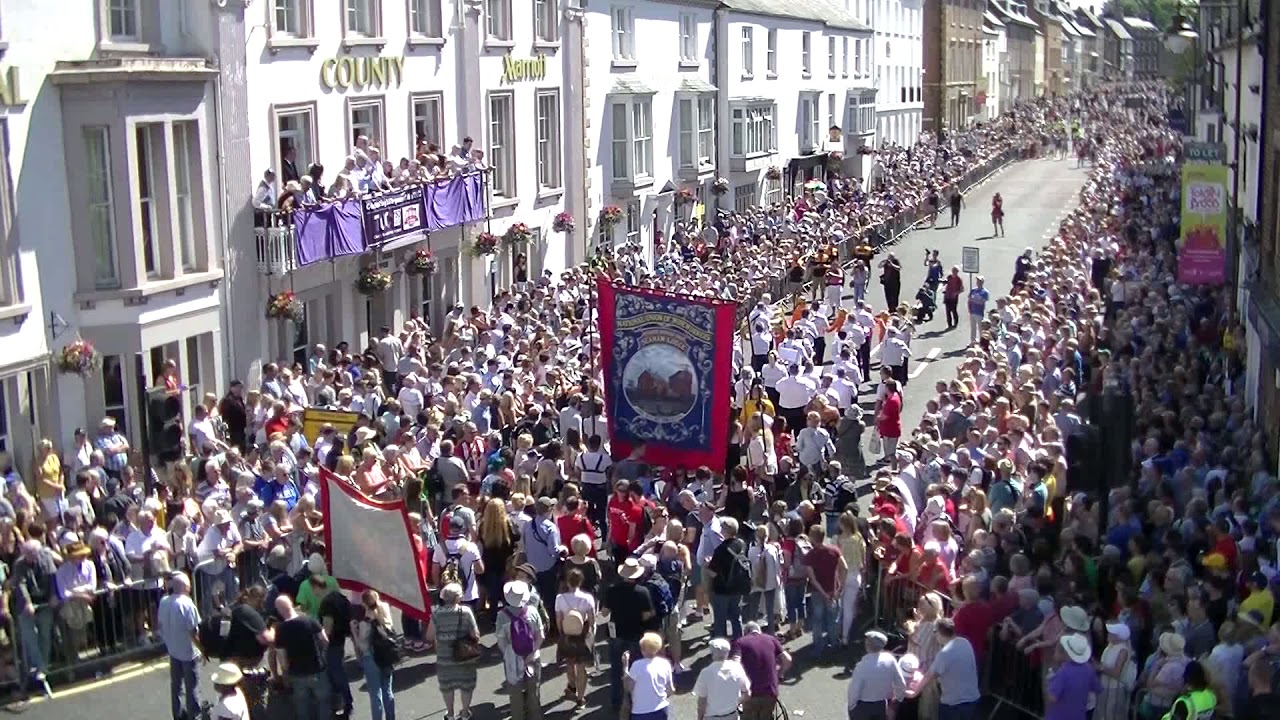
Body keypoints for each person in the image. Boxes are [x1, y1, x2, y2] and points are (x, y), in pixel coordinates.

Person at [607, 558, 657, 710]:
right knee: (636, 669)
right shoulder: (643, 592)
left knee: (616, 668)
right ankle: (635, 699)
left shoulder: (612, 590)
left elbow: (604, 611)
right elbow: (648, 614)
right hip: (636, 634)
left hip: (617, 634)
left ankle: (616, 701)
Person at [427, 583, 480, 720]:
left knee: (447, 687)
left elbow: (429, 636)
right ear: (458, 598)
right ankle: (465, 713)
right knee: (466, 686)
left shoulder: (437, 614)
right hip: (465, 656)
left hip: (444, 657)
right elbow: (475, 635)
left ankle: (450, 714)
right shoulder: (466, 611)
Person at [273, 595, 331, 720]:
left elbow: (282, 658)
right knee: (323, 701)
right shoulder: (309, 620)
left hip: (297, 672)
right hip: (317, 668)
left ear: (279, 611)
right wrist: (322, 655)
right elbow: (325, 640)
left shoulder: (280, 630)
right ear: (291, 604)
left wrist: (286, 673)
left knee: (302, 705)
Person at [496, 580, 545, 720]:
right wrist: (532, 653)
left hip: (512, 658)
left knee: (515, 694)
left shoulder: (502, 616)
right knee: (533, 692)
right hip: (532, 656)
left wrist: (509, 654)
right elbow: (540, 636)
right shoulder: (532, 611)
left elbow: (501, 641)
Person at [157, 572, 202, 720]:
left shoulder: (164, 601)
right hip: (189, 653)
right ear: (185, 586)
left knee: (176, 687)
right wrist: (203, 650)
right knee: (192, 688)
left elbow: (160, 624)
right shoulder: (187, 604)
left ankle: (177, 715)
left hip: (173, 650)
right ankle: (194, 716)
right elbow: (193, 632)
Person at [918, 619, 981, 720]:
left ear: (939, 632)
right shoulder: (965, 643)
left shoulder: (944, 653)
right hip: (972, 700)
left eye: (935, 632)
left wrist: (914, 692)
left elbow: (929, 675)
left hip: (953, 705)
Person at [352, 590, 397, 720]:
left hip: (371, 658)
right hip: (386, 657)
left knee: (375, 694)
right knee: (387, 690)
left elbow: (362, 646)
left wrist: (354, 632)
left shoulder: (364, 623)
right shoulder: (385, 617)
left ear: (364, 605)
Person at [733, 621, 792, 720]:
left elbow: (735, 664)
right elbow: (787, 659)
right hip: (770, 691)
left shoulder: (740, 642)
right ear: (759, 631)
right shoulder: (772, 639)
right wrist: (780, 674)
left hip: (750, 693)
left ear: (745, 632)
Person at [845, 631, 906, 720]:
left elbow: (854, 690)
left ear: (867, 645)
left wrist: (851, 705)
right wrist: (898, 699)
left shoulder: (861, 666)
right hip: (881, 705)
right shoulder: (890, 661)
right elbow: (900, 683)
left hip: (862, 707)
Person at [708, 516, 751, 640]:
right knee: (736, 617)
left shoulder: (721, 550)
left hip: (722, 589)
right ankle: (739, 642)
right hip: (738, 587)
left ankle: (721, 645)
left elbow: (713, 573)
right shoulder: (742, 544)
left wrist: (706, 564)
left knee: (720, 619)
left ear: (725, 530)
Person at [694, 637, 751, 720]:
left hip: (712, 717)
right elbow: (747, 693)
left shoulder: (706, 673)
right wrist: (736, 703)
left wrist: (699, 718)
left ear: (712, 654)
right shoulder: (737, 668)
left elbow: (702, 701)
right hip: (732, 715)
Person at [1046, 635, 1101, 720]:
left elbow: (1052, 698)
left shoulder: (1063, 672)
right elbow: (1097, 688)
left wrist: (1049, 682)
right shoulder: (1089, 669)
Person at [624, 632, 675, 720]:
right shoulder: (665, 664)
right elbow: (671, 689)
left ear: (643, 649)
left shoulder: (637, 665)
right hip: (661, 709)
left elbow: (628, 687)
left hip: (641, 712)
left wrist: (625, 666)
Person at [966, 276, 989, 346]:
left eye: (980, 281)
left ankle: (981, 341)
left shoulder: (985, 292)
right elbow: (969, 300)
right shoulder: (973, 290)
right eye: (977, 281)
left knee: (980, 328)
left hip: (979, 312)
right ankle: (973, 341)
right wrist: (969, 308)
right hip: (972, 311)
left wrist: (974, 300)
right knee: (973, 328)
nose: (978, 282)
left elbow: (982, 302)